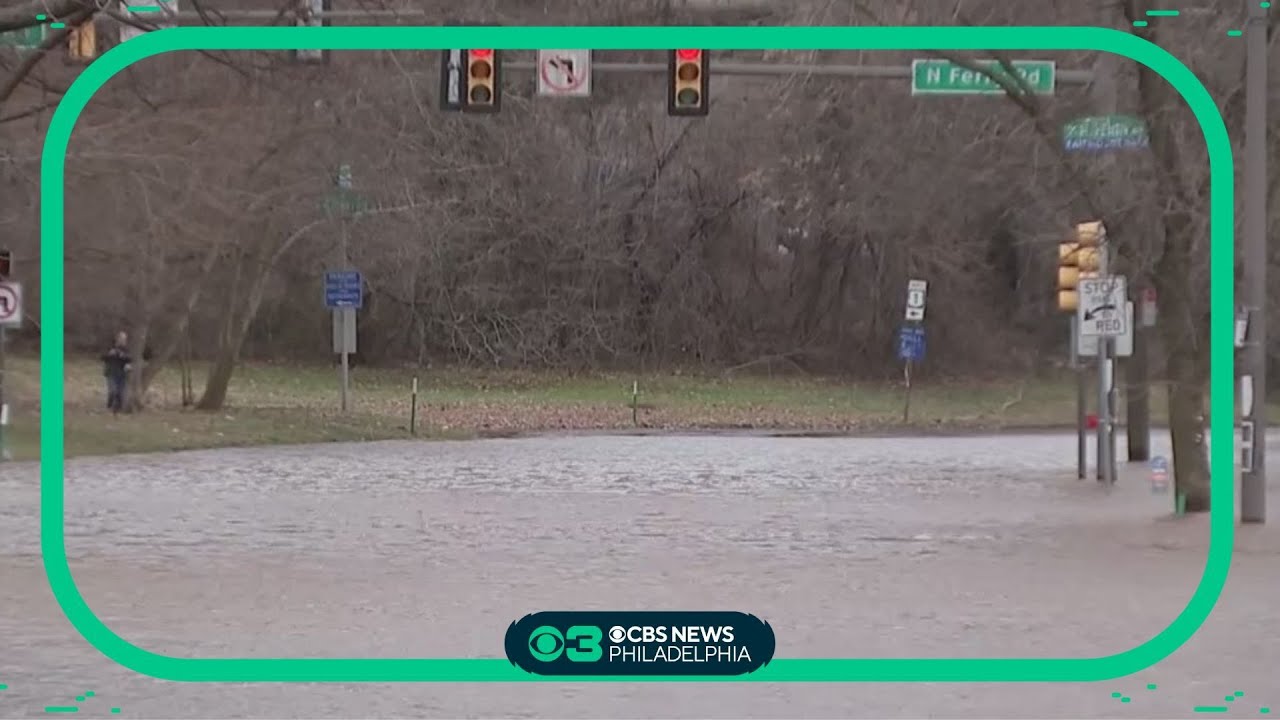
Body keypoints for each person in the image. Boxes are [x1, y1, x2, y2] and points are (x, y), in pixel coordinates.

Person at [101, 331, 132, 415]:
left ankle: (116, 411)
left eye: (124, 339)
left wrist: (123, 356)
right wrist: (109, 354)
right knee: (113, 391)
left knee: (120, 394)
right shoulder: (110, 347)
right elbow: (102, 357)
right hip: (111, 373)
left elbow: (130, 358)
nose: (123, 340)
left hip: (122, 374)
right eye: (121, 338)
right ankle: (109, 406)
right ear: (117, 339)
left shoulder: (126, 349)